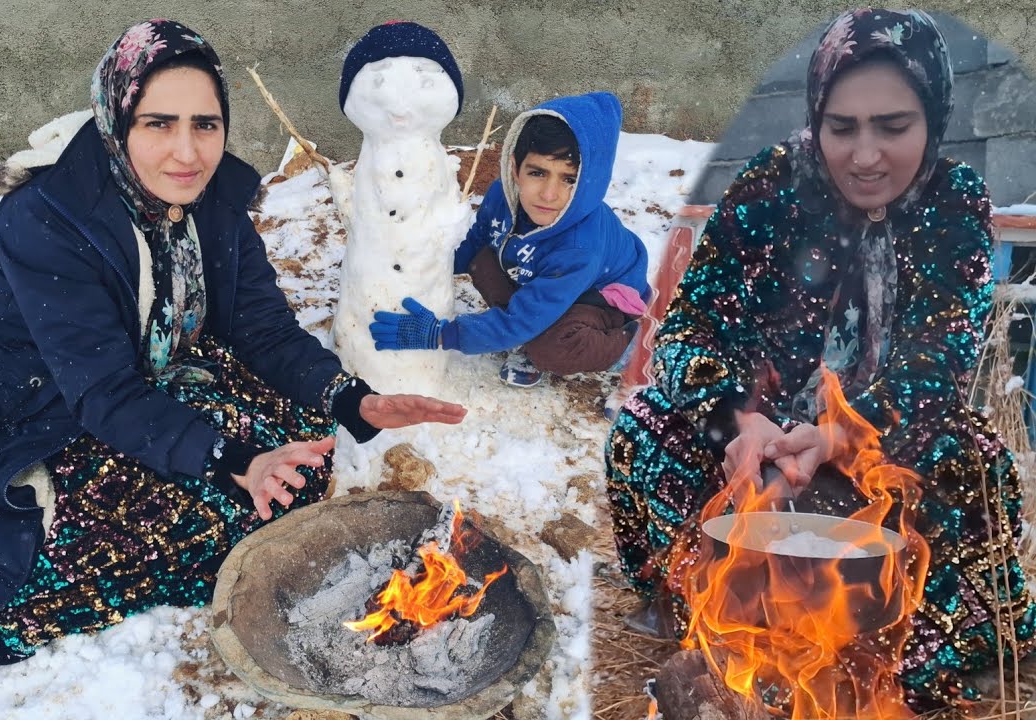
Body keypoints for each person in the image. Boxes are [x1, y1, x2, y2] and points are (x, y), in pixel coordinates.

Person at [0, 19, 465, 666]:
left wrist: (351, 398)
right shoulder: (48, 223)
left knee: (302, 447)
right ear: (116, 118)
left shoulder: (210, 196)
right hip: (42, 410)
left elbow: (261, 327)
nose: (187, 152)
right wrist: (232, 460)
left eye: (206, 124)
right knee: (192, 514)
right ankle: (26, 602)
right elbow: (102, 392)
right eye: (158, 124)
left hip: (151, 376)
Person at [605, 8, 1036, 709]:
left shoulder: (955, 200)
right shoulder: (768, 189)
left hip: (878, 446)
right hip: (762, 451)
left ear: (933, 118)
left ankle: (910, 654)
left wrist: (841, 433)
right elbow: (688, 329)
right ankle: (712, 614)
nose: (866, 155)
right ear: (817, 116)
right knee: (644, 425)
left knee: (974, 455)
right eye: (843, 128)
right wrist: (737, 424)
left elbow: (943, 358)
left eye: (893, 127)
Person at [369, 93, 651, 389]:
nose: (549, 194)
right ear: (516, 168)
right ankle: (531, 332)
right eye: (538, 173)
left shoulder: (580, 246)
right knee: (483, 261)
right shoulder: (502, 196)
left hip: (600, 297)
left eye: (569, 179)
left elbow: (521, 318)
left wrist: (440, 334)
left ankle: (631, 347)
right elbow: (475, 241)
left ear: (591, 181)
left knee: (551, 348)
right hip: (545, 279)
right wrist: (418, 264)